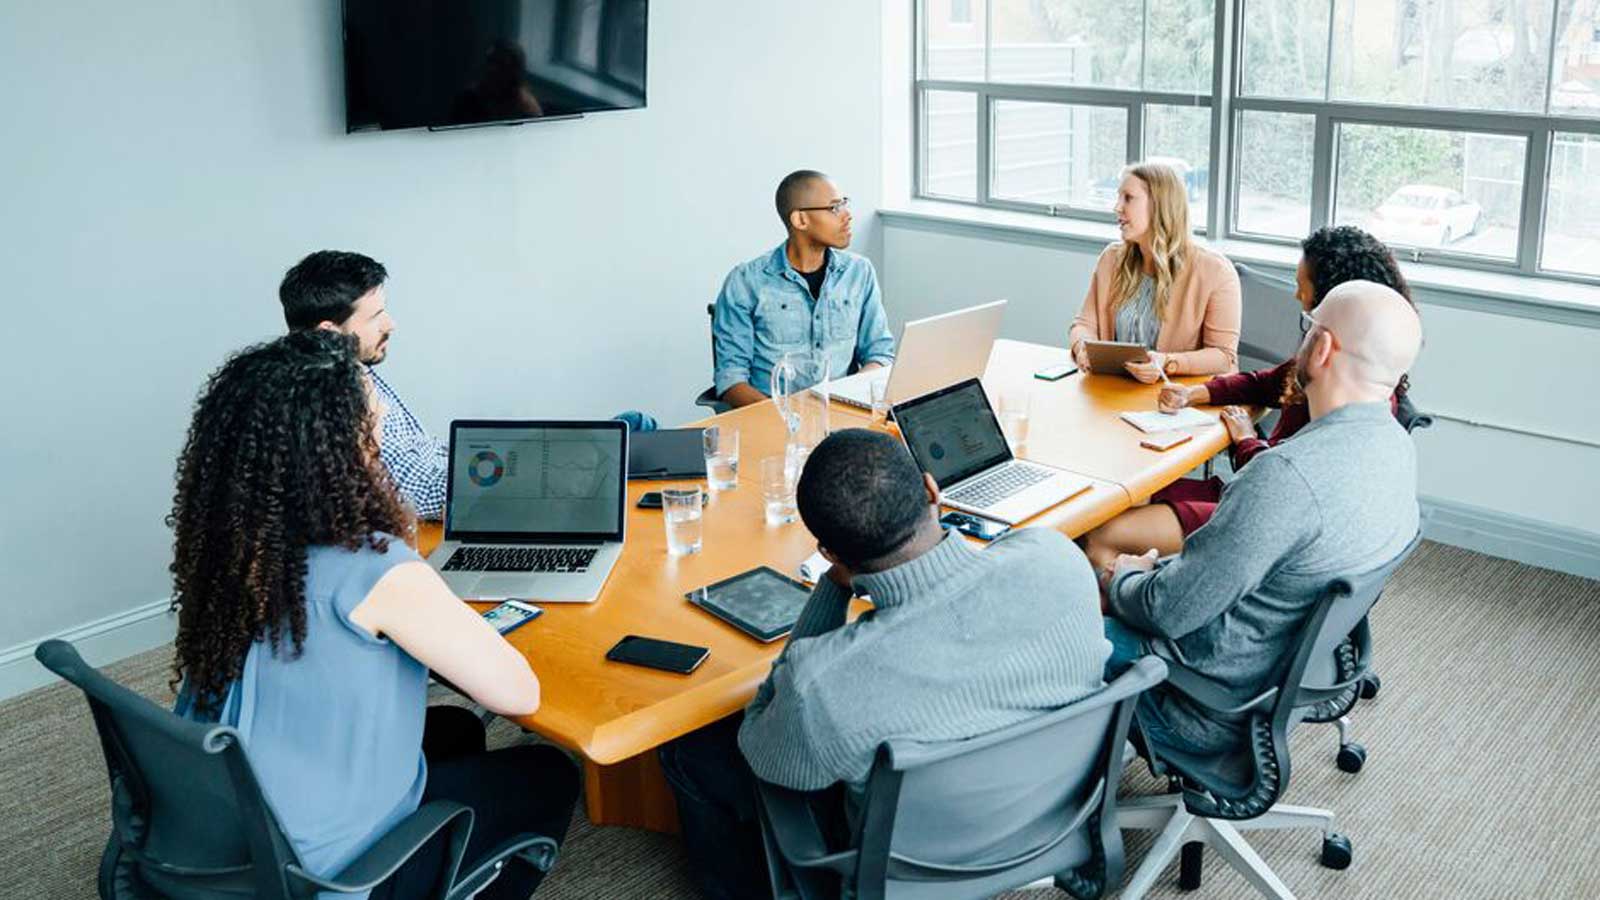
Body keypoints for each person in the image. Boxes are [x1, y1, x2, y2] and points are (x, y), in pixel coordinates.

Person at [170, 330, 578, 900]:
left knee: (456, 730)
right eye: (376, 422)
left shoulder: (236, 545)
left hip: (230, 820)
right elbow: (519, 695)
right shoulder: (370, 564)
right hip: (321, 873)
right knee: (551, 772)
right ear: (340, 445)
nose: (384, 431)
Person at [657, 429, 1108, 899]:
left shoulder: (824, 683)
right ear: (933, 492)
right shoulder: (1056, 556)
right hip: (1057, 822)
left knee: (693, 750)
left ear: (829, 553)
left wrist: (832, 589)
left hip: (909, 871)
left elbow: (765, 752)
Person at [1101, 280, 1423, 762]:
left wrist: (1124, 575)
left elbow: (1166, 611)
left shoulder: (1285, 475)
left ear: (1324, 348)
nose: (1304, 337)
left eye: (1308, 327)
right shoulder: (1396, 448)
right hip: (1281, 675)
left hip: (1205, 703)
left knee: (1057, 623)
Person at [1082, 225, 1416, 575]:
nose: (1297, 296)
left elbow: (1279, 487)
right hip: (1256, 495)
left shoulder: (1338, 397)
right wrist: (1197, 392)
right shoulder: (1357, 383)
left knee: (1100, 536)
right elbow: (1268, 382)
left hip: (1259, 509)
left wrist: (1245, 440)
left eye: (1303, 287)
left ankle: (1117, 608)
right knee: (1130, 497)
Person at [278, 250, 655, 520]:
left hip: (463, 477)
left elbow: (419, 454)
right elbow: (414, 497)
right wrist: (514, 477)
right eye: (376, 316)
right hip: (463, 501)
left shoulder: (356, 367)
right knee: (612, 447)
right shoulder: (327, 399)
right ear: (329, 332)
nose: (390, 324)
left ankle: (596, 459)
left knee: (618, 433)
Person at [711, 171, 895, 408]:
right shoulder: (745, 282)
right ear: (800, 220)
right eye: (834, 208)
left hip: (845, 418)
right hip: (773, 418)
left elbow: (879, 353)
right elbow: (731, 379)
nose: (847, 216)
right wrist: (786, 418)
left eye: (844, 204)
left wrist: (850, 399)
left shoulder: (859, 272)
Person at [1068, 161, 1240, 383]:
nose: (1117, 207)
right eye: (1118, 197)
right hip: (1113, 392)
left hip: (1178, 400)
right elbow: (1083, 325)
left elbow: (1222, 356)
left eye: (1128, 198)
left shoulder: (1215, 271)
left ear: (1159, 205)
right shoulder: (1112, 259)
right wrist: (1083, 349)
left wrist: (1167, 363)